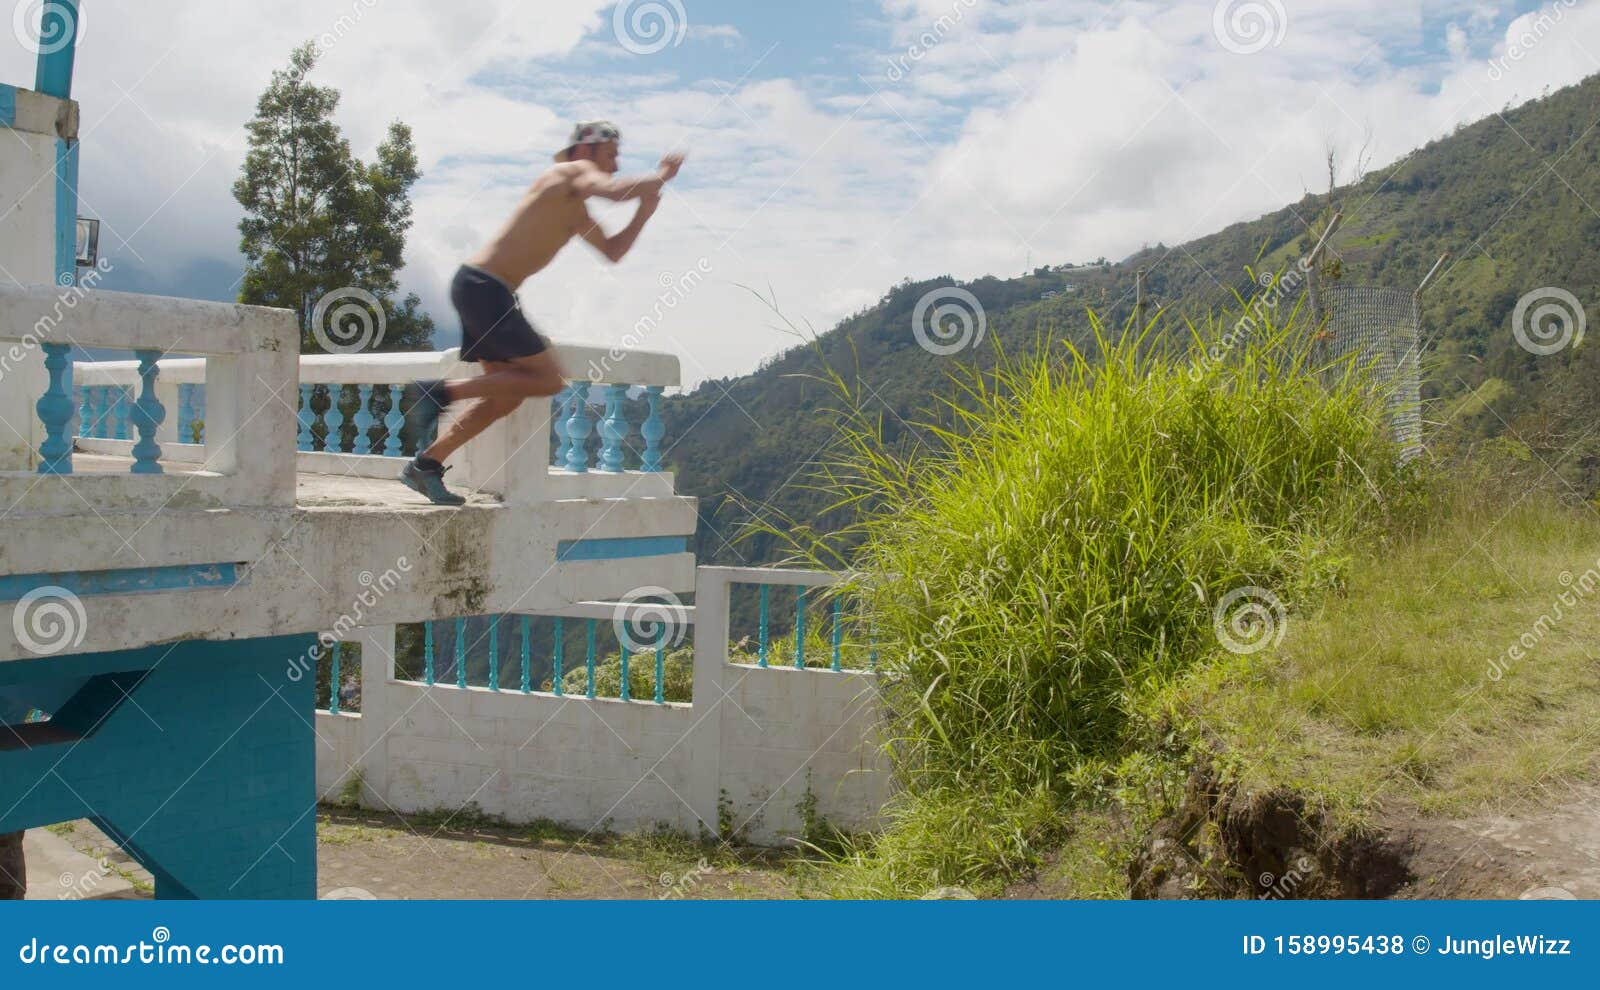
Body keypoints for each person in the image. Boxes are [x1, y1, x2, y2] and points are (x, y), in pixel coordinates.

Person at [399, 121, 685, 504]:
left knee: (507, 394)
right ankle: (437, 393)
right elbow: (617, 192)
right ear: (587, 149)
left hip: (483, 289)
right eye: (611, 154)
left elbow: (613, 250)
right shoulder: (569, 172)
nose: (615, 165)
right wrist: (662, 174)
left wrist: (645, 210)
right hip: (487, 288)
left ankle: (426, 465)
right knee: (548, 380)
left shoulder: (575, 209)